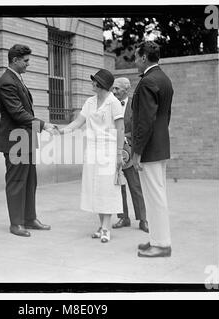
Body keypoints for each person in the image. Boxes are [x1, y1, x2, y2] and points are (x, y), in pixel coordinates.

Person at [0, 44, 56, 237]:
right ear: (15, 60)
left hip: (25, 139)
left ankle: (30, 219)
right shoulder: (7, 81)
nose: (28, 64)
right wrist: (44, 125)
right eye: (26, 61)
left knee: (30, 180)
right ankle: (16, 224)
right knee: (17, 181)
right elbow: (17, 113)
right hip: (16, 140)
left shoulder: (16, 79)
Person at [59, 69, 125, 243]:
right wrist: (62, 131)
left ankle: (106, 228)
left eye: (94, 81)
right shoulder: (89, 102)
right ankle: (102, 226)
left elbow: (120, 129)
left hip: (108, 150)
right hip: (92, 150)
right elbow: (78, 122)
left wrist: (119, 153)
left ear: (100, 84)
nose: (92, 83)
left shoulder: (113, 103)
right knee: (95, 188)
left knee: (106, 188)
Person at [132, 41, 173, 257]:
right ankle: (156, 239)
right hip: (159, 145)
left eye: (137, 57)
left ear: (144, 58)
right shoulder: (164, 79)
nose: (135, 61)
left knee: (155, 196)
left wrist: (137, 151)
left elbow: (145, 121)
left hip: (149, 148)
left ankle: (162, 244)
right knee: (155, 194)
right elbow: (165, 117)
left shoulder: (148, 81)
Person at [112, 77, 149, 233]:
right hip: (114, 150)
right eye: (113, 89)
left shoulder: (136, 104)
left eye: (117, 89)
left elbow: (141, 127)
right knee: (119, 184)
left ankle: (143, 219)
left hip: (130, 150)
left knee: (135, 186)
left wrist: (128, 139)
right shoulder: (111, 104)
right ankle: (123, 217)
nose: (114, 92)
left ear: (126, 90)